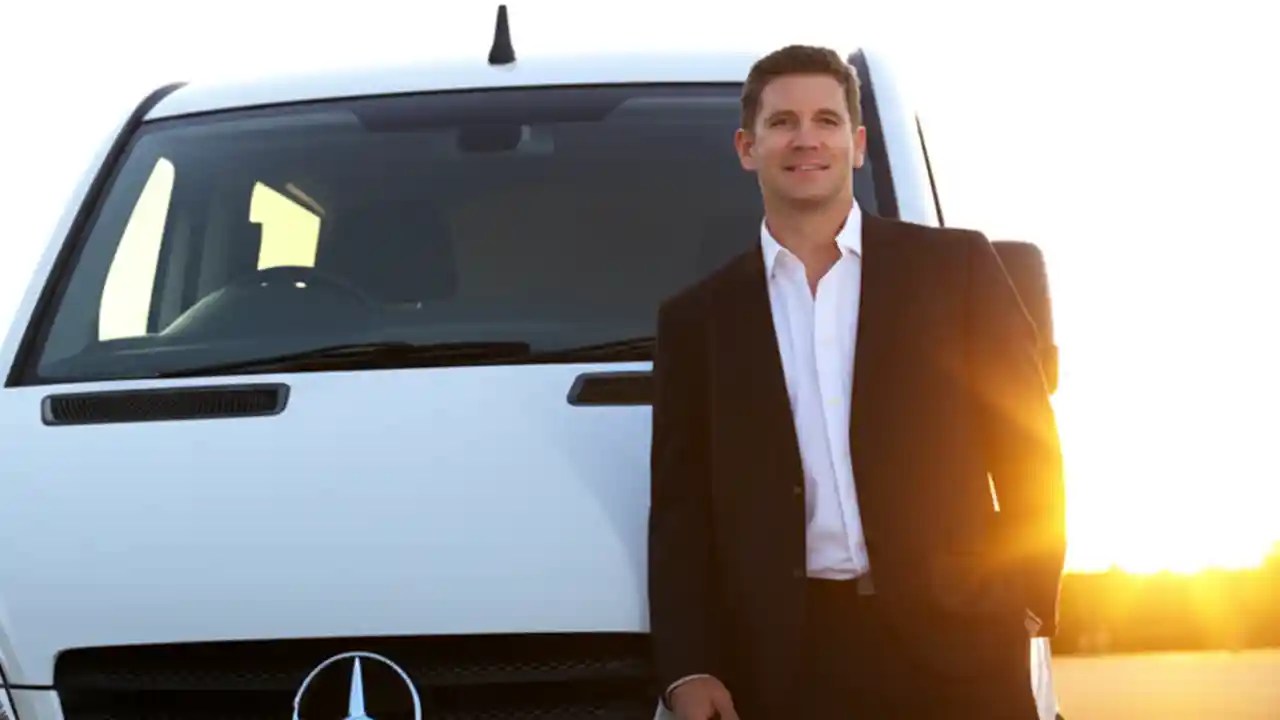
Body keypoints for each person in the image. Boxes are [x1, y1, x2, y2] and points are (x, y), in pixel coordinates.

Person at [647, 44, 1065, 719]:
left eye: (826, 120)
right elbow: (680, 512)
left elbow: (1029, 449)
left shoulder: (957, 269)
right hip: (790, 660)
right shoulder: (697, 319)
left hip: (963, 647)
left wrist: (1022, 600)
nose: (805, 138)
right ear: (747, 147)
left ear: (858, 143)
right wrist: (689, 666)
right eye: (782, 122)